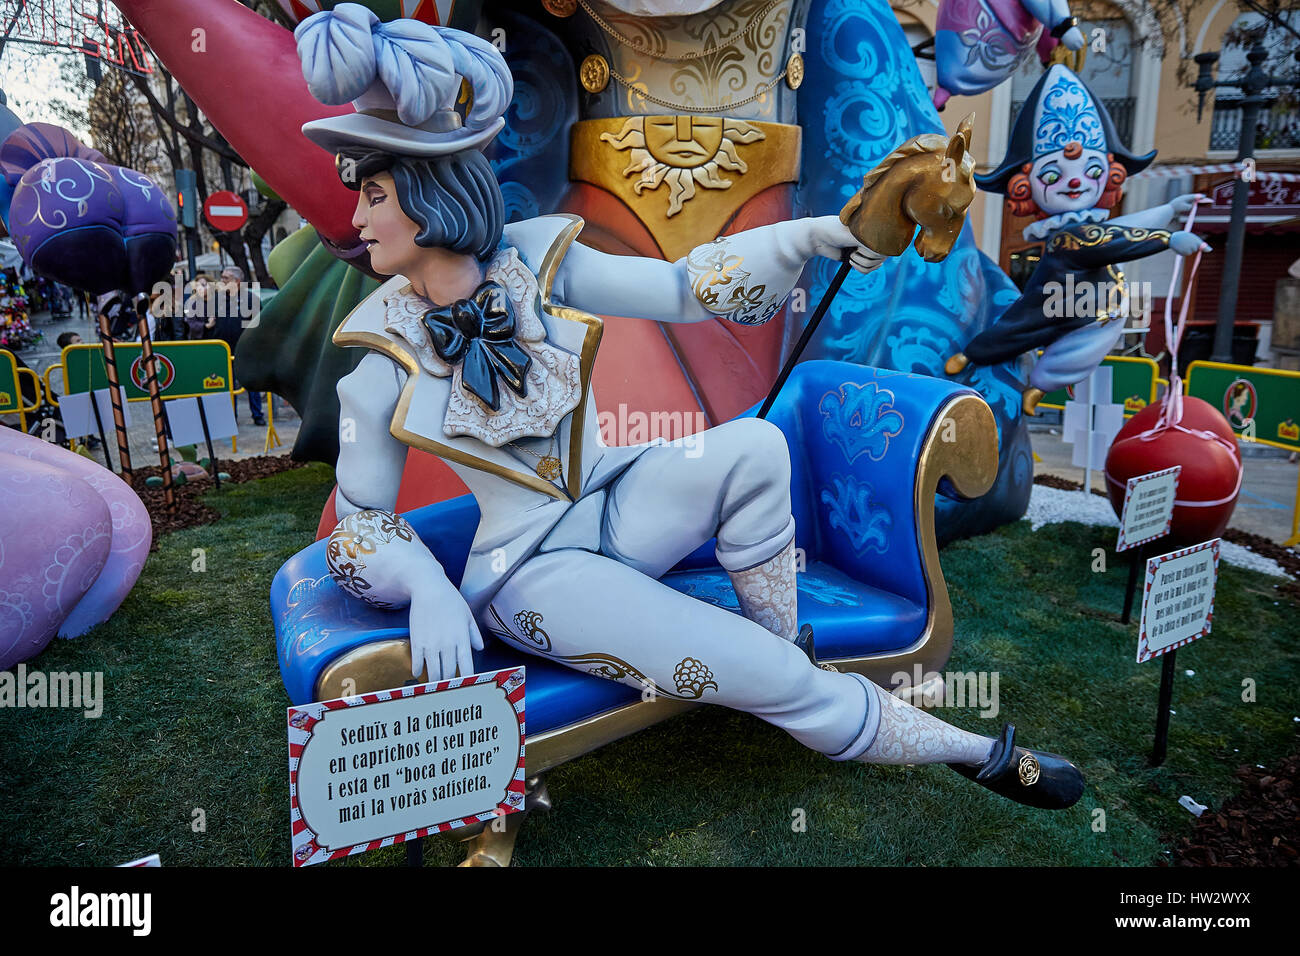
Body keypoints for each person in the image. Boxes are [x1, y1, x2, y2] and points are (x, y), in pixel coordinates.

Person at [304, 6, 1084, 810]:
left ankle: (784, 649)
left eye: (374, 193)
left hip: (617, 500)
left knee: (755, 446)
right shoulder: (375, 364)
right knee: (770, 673)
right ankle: (975, 751)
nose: (358, 219)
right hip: (534, 574)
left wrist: (815, 234)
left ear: (432, 193)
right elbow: (358, 524)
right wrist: (428, 589)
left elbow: (683, 288)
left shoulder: (534, 257)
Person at [944, 65, 1211, 414]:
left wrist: (1169, 209)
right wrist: (1166, 239)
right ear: (1025, 186)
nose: (1075, 182)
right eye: (1054, 174)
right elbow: (1111, 241)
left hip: (1093, 309)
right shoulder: (1068, 237)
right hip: (1055, 303)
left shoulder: (1091, 225)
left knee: (1092, 335)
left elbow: (1126, 227)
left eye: (1093, 170)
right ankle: (970, 356)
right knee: (1015, 330)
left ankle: (1036, 387)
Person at [209, 265, 264, 425]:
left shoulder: (251, 300)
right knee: (228, 384)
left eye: (226, 278)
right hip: (224, 350)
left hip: (246, 350)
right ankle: (230, 416)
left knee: (251, 383)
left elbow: (258, 324)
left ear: (237, 281)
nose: (222, 281)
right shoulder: (217, 299)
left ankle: (257, 415)